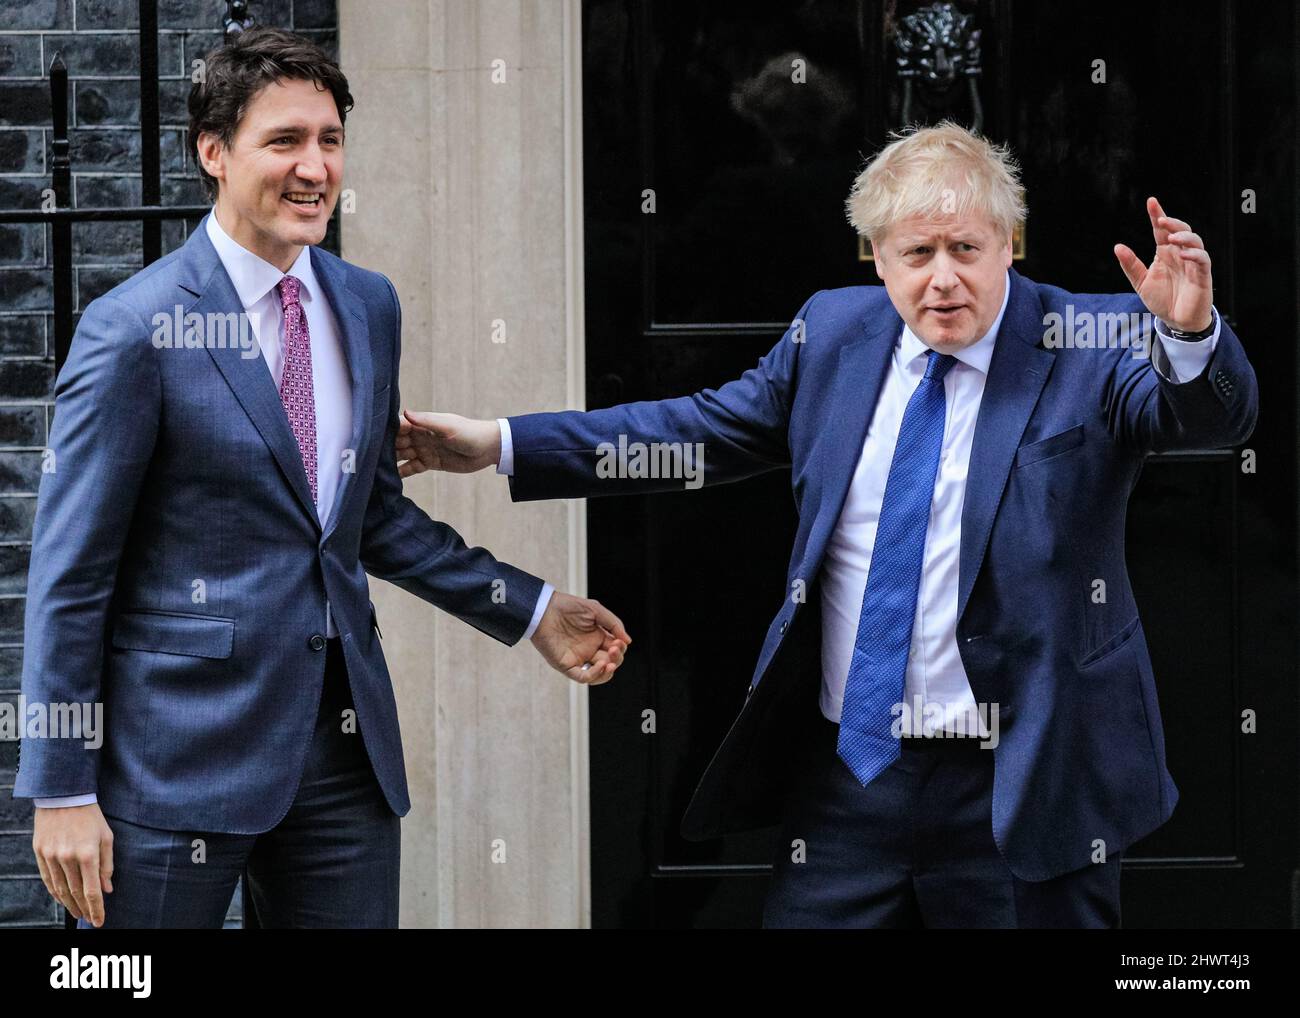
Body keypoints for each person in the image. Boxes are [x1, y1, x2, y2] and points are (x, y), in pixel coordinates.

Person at [396, 121, 1258, 928]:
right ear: (877, 257)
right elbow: (692, 432)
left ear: (1009, 245)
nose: (943, 277)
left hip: (1025, 776)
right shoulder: (833, 333)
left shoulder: (1090, 339)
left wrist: (1188, 339)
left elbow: (1209, 422)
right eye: (916, 253)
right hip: (851, 782)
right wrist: (500, 445)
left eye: (966, 249)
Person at [12, 27, 629, 930]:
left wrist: (531, 609)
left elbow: (370, 518)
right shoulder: (134, 329)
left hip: (344, 762)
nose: (315, 168)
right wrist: (61, 787)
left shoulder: (366, 302)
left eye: (329, 140)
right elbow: (70, 574)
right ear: (213, 153)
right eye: (285, 141)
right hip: (169, 767)